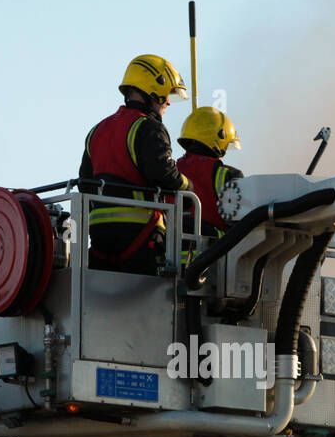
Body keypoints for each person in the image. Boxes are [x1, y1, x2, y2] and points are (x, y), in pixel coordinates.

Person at [79, 55, 193, 275]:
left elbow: (85, 183)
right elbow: (164, 174)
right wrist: (188, 188)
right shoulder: (149, 128)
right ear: (153, 89)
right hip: (142, 239)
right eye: (166, 95)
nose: (168, 102)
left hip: (100, 240)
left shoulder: (98, 130)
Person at [175, 107, 243, 248]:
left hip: (168, 255)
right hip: (214, 259)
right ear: (219, 139)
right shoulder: (228, 175)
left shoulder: (170, 171)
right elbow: (243, 222)